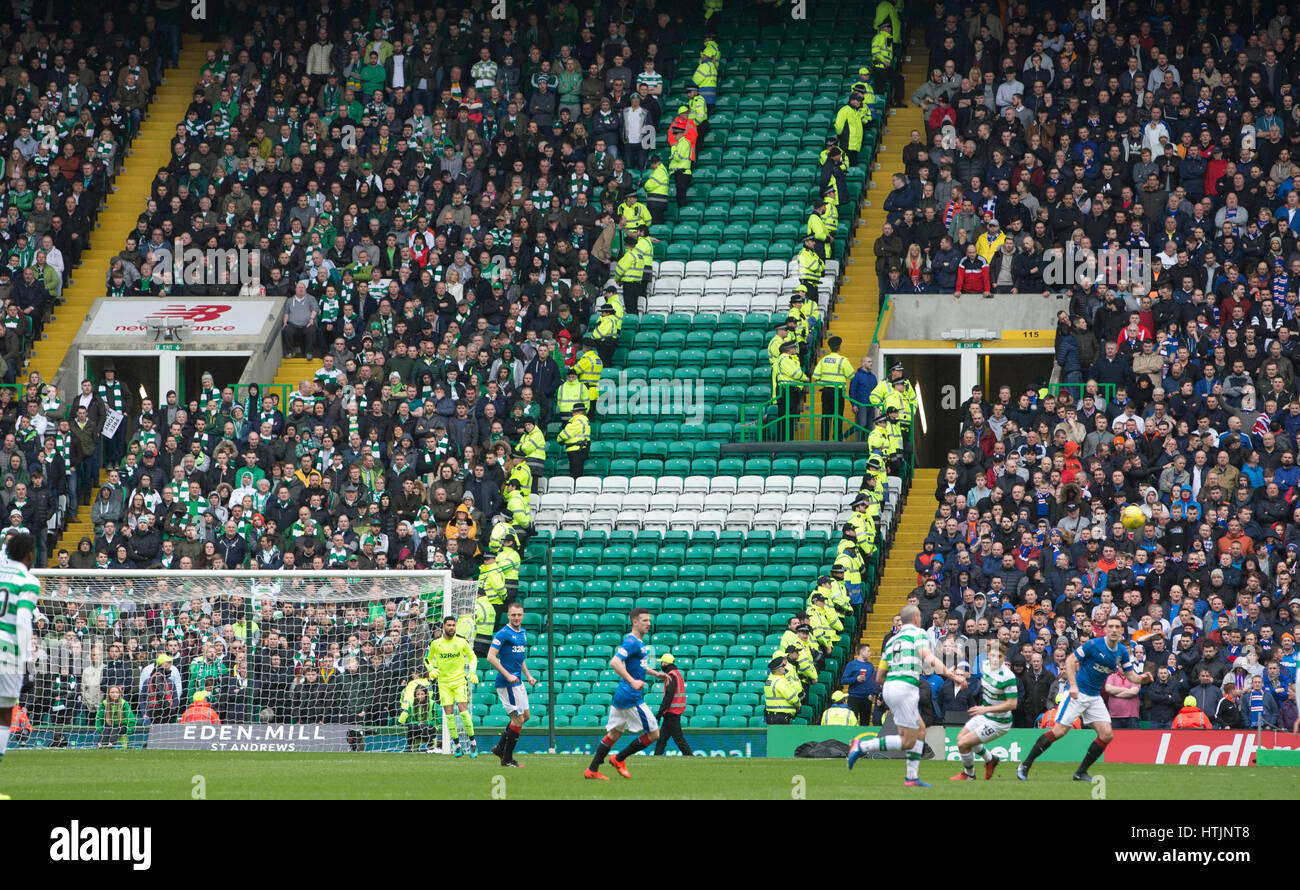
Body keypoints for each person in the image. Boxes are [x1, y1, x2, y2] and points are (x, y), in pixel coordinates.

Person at [1017, 617, 1153, 782]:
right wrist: (1073, 685)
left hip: (1094, 696)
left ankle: (1080, 772)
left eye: (1118, 627)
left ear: (1122, 631)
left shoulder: (1122, 652)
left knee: (1106, 735)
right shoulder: (1094, 645)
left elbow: (1131, 675)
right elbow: (1070, 660)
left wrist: (1142, 679)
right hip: (1077, 692)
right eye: (1111, 626)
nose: (1114, 629)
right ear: (1107, 629)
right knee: (1059, 731)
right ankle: (1026, 764)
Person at [848, 604, 966, 786]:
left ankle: (912, 777)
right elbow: (930, 659)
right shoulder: (917, 634)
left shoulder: (891, 641)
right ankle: (862, 747)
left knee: (918, 731)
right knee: (911, 736)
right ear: (916, 619)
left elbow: (879, 677)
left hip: (890, 688)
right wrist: (952, 675)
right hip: (905, 688)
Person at [585, 608, 667, 779]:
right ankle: (619, 758)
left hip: (622, 695)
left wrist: (655, 673)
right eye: (644, 620)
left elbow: (637, 666)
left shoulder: (638, 642)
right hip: (631, 696)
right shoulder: (631, 642)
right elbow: (615, 662)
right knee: (654, 734)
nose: (648, 624)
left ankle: (592, 770)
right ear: (634, 622)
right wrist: (632, 681)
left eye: (649, 620)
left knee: (614, 734)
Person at [0, 533, 38, 796]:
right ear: (29, 555)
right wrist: (26, 662)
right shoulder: (28, 581)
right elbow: (23, 620)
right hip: (7, 653)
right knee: (3, 715)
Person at [949, 640, 1017, 780]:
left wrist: (986, 709)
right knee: (960, 739)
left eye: (998, 657)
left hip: (999, 722)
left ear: (1004, 658)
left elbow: (1012, 704)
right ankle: (990, 759)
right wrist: (965, 683)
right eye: (992, 656)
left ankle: (969, 775)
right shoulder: (985, 666)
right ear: (987, 655)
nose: (994, 660)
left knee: (964, 743)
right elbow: (977, 681)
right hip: (986, 714)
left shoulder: (1008, 677)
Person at [486, 601, 537, 767]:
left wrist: (528, 676)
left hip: (519, 682)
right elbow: (491, 657)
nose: (516, 617)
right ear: (508, 615)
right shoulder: (502, 634)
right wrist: (507, 675)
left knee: (526, 717)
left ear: (523, 615)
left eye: (519, 615)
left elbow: (519, 658)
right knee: (517, 719)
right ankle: (507, 758)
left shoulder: (523, 632)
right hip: (507, 683)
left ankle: (500, 747)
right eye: (513, 615)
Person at [426, 616, 479, 757]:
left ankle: (472, 743)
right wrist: (431, 669)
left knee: (463, 712)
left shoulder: (462, 641)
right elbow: (427, 658)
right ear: (444, 626)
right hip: (443, 683)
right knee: (449, 715)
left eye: (453, 625)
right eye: (449, 625)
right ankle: (457, 746)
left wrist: (472, 672)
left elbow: (473, 657)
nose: (451, 627)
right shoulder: (435, 643)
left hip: (459, 681)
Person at [812, 336, 853, 440]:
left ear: (830, 348)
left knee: (825, 416)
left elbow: (815, 376)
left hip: (826, 391)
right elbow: (851, 375)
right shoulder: (843, 360)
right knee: (838, 416)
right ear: (839, 347)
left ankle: (824, 439)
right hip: (838, 392)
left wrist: (823, 383)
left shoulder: (823, 360)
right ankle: (837, 438)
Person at [653, 652, 692, 756]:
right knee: (662, 738)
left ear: (666, 663)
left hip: (672, 712)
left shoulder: (671, 675)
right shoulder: (677, 674)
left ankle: (690, 756)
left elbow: (669, 695)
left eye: (662, 662)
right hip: (672, 712)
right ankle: (657, 755)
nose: (661, 665)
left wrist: (660, 711)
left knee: (678, 738)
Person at [840, 643, 877, 724]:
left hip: (867, 698)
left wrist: (872, 693)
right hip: (854, 698)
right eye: (868, 651)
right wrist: (856, 679)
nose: (870, 653)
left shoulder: (870, 666)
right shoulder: (851, 664)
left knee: (865, 723)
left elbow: (873, 681)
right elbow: (843, 680)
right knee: (853, 723)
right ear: (862, 652)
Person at [763, 655, 803, 724]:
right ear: (779, 669)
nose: (785, 668)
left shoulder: (769, 680)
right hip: (780, 718)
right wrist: (798, 704)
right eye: (783, 666)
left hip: (771, 716)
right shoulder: (780, 682)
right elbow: (792, 697)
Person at [557, 402, 591, 477]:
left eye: (573, 412)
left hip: (575, 449)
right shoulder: (585, 420)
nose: (572, 413)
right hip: (582, 448)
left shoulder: (577, 420)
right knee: (578, 471)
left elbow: (567, 432)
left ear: (577, 412)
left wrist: (559, 439)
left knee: (575, 473)